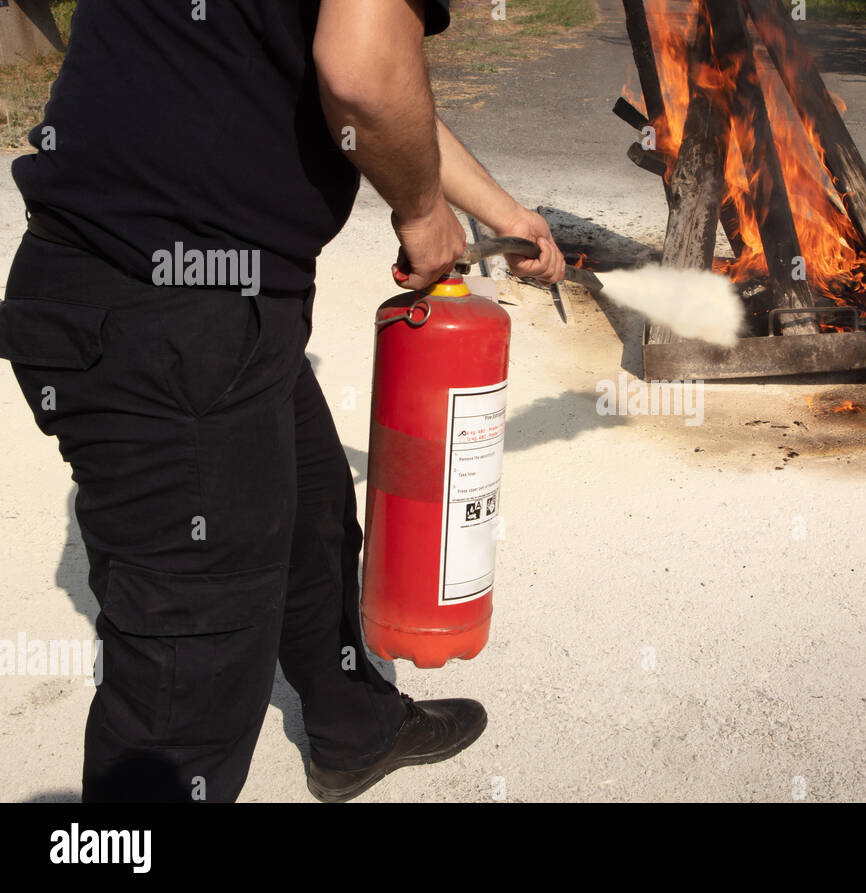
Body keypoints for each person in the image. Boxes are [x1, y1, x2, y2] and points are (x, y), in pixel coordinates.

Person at [0, 0, 564, 803]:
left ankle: (352, 730)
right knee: (187, 676)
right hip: (162, 314)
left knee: (310, 509)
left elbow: (376, 70)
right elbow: (365, 72)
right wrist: (421, 210)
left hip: (178, 298)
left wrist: (499, 212)